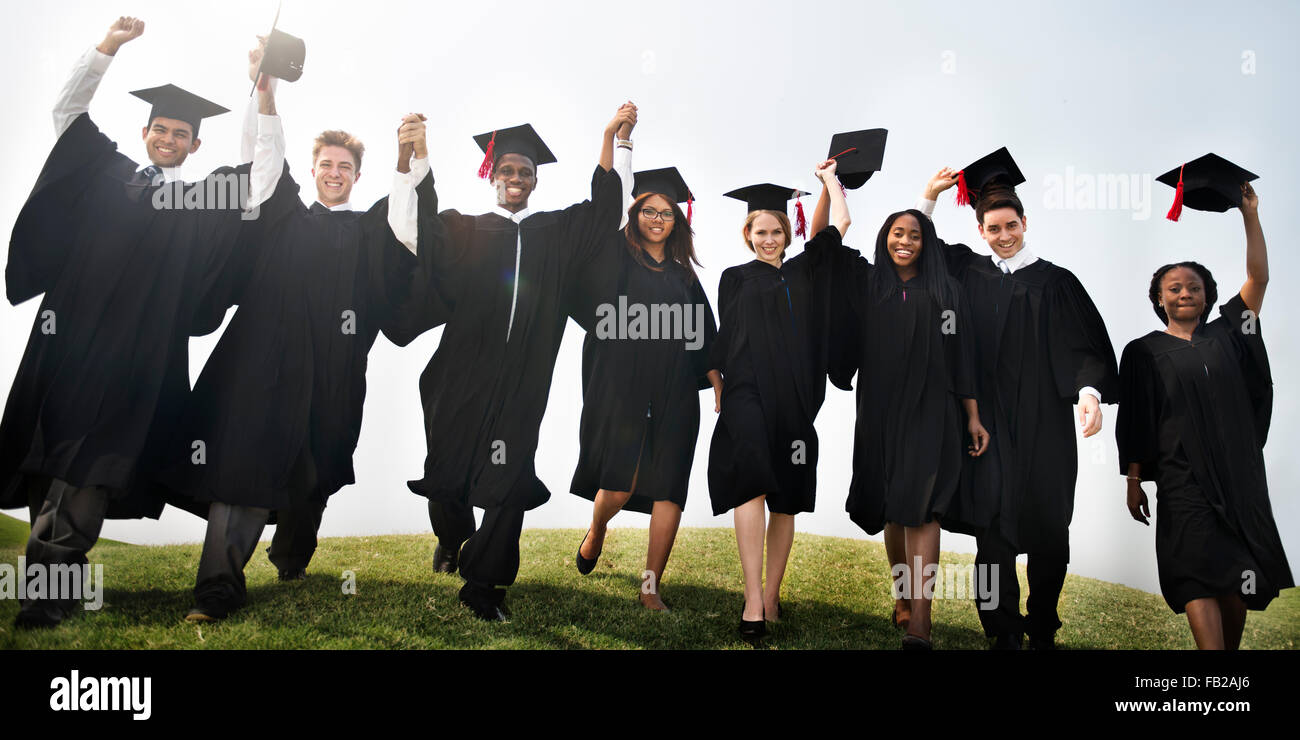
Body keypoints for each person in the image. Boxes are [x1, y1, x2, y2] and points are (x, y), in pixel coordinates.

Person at [1, 17, 262, 628]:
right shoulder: (105, 174)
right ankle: (50, 582)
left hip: (133, 365)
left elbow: (258, 171)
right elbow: (68, 113)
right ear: (145, 132)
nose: (168, 138)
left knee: (87, 468)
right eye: (161, 129)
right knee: (50, 465)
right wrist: (106, 49)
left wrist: (262, 89)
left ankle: (48, 600)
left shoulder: (198, 203)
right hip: (63, 349)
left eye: (181, 134)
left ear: (196, 145)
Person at [165, 42, 439, 622]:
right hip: (260, 361)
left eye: (345, 167)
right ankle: (217, 587)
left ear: (356, 176)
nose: (335, 173)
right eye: (326, 164)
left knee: (315, 466)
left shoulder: (369, 232)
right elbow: (264, 160)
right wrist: (266, 91)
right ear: (313, 169)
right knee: (241, 462)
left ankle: (291, 554)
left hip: (333, 369)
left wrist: (406, 161)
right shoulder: (283, 212)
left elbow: (407, 231)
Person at [393, 106, 635, 621]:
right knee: (446, 469)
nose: (517, 179)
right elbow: (414, 233)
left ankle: (485, 586)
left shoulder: (555, 231)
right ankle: (453, 537)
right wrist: (417, 160)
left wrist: (613, 140)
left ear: (536, 181)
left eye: (526, 172)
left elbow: (607, 214)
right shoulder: (465, 229)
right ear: (492, 175)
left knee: (509, 475)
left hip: (523, 383)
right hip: (458, 376)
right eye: (508, 171)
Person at [920, 149, 1118, 649]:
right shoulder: (968, 271)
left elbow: (1085, 344)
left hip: (1045, 424)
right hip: (984, 422)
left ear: (1024, 222)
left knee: (1050, 527)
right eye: (993, 228)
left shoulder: (1056, 282)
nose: (1004, 235)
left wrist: (1089, 393)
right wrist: (929, 198)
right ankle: (1002, 632)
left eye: (1011, 225)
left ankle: (1043, 624)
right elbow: (920, 248)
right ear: (981, 231)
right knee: (992, 531)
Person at [1117, 167, 1292, 649]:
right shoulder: (1143, 351)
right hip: (1181, 478)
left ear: (1208, 295)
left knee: (1238, 577)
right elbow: (1135, 420)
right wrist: (1134, 481)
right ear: (1159, 298)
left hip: (1239, 477)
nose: (1184, 292)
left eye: (1193, 286)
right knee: (1193, 572)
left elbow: (1260, 276)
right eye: (1173, 287)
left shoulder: (1230, 333)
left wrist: (1249, 215)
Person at [814, 200, 987, 650]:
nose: (905, 241)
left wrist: (971, 415)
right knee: (894, 504)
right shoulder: (869, 283)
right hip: (881, 408)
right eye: (897, 233)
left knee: (924, 505)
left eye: (914, 235)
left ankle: (921, 623)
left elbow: (962, 354)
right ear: (884, 239)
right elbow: (823, 247)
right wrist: (831, 189)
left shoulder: (947, 291)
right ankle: (903, 596)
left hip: (934, 409)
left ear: (926, 243)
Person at [565, 166, 719, 611]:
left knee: (671, 486)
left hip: (673, 387)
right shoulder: (616, 260)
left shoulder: (684, 276)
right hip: (621, 385)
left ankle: (651, 585)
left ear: (677, 222)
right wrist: (619, 140)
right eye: (649, 210)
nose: (657, 219)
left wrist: (714, 380)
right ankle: (597, 530)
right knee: (620, 485)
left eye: (667, 213)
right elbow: (606, 208)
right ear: (635, 215)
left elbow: (702, 332)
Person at [708, 161, 846, 641]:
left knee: (786, 496)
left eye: (776, 231)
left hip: (797, 401)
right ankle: (751, 601)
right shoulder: (735, 277)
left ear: (788, 233)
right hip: (747, 393)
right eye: (760, 231)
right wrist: (718, 381)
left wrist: (829, 181)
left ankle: (771, 595)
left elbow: (837, 226)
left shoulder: (804, 272)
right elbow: (726, 339)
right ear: (748, 234)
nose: (769, 239)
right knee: (751, 483)